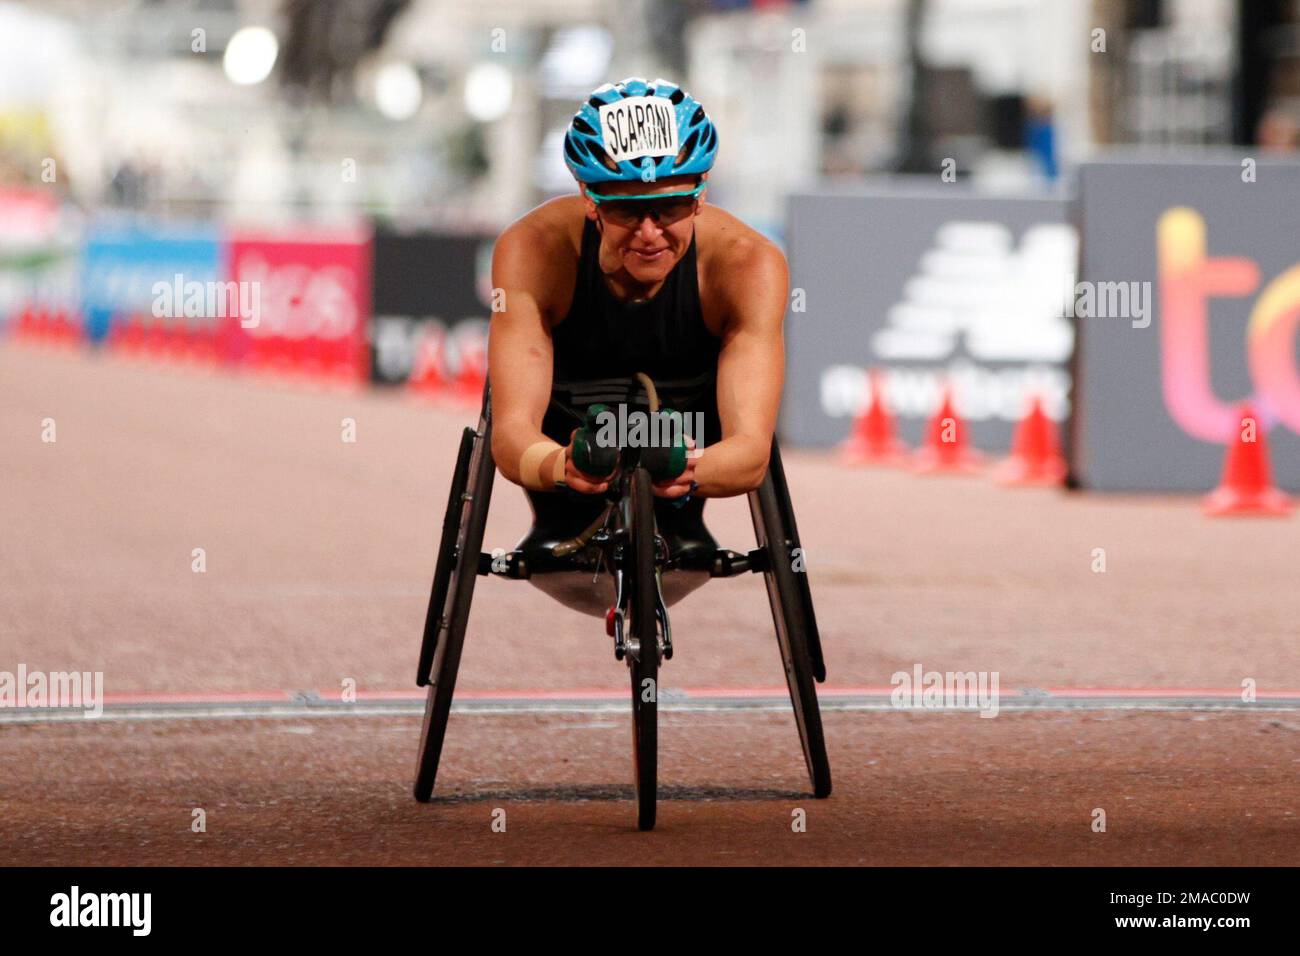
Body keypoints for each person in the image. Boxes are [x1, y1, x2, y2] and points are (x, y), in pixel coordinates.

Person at [487, 77, 789, 613]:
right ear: (589, 199)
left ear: (700, 194)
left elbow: (750, 455)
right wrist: (562, 466)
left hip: (687, 455)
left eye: (669, 208)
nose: (649, 233)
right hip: (571, 450)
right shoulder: (533, 249)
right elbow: (511, 435)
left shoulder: (748, 264)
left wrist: (689, 469)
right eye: (628, 211)